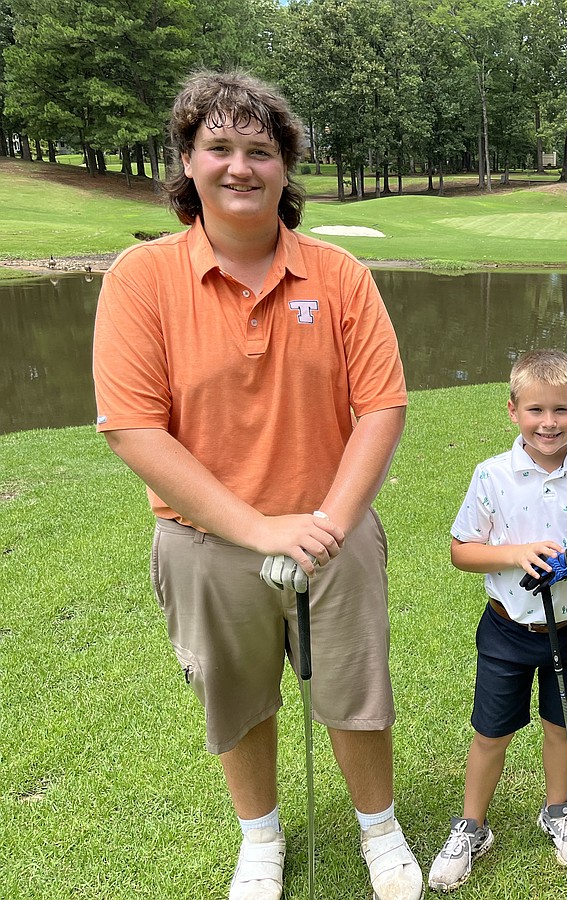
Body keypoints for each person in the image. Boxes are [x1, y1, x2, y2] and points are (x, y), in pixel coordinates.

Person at [92, 71, 422, 900]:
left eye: (261, 151)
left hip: (331, 533)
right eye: (221, 148)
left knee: (356, 691)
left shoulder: (340, 275)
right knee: (236, 700)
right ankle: (261, 840)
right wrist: (259, 528)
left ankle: (380, 831)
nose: (241, 167)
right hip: (205, 542)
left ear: (286, 168)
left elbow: (381, 404)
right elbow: (133, 427)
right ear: (188, 161)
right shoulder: (142, 277)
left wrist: (325, 525)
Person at [430, 349, 567, 892]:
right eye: (536, 410)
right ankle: (472, 824)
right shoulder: (491, 476)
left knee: (560, 726)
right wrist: (515, 553)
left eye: (561, 411)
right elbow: (461, 550)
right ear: (513, 410)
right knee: (490, 731)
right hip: (506, 629)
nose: (549, 423)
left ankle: (558, 809)